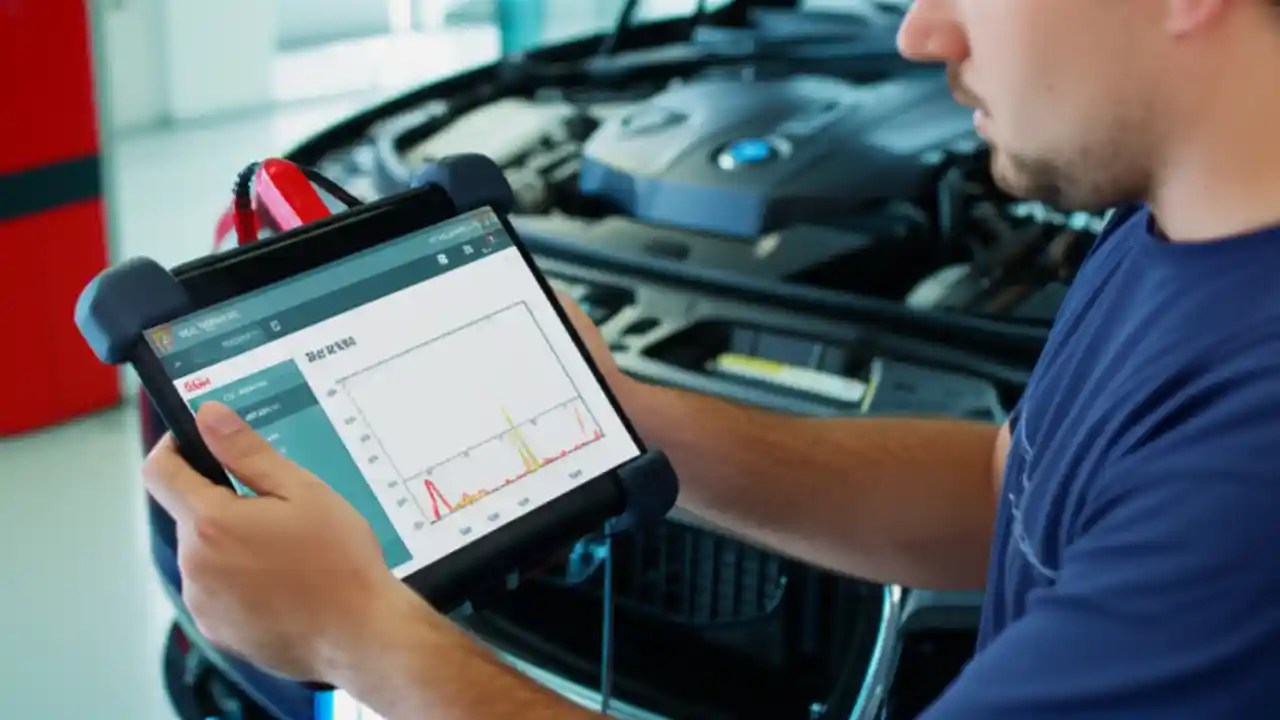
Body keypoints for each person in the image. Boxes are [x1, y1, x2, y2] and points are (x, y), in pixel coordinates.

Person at [143, 0, 1280, 717]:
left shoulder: (1255, 456)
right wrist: (621, 412)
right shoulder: (1171, 224)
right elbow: (1009, 491)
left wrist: (361, 638)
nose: (921, 31)